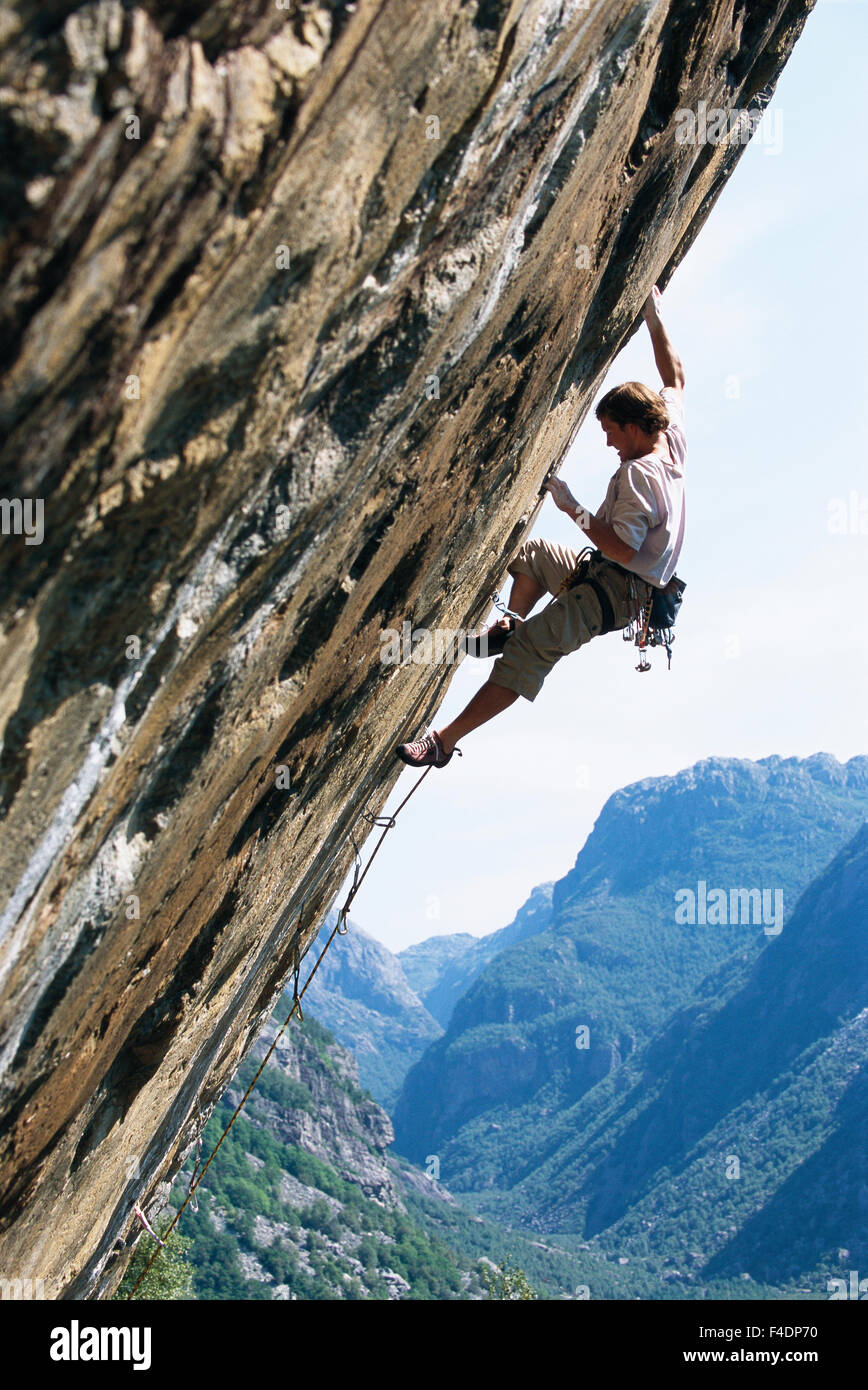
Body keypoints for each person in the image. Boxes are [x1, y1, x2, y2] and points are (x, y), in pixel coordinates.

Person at [396, 284, 686, 769]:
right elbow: (674, 377)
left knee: (531, 652)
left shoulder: (640, 475)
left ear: (633, 426)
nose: (609, 443)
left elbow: (620, 549)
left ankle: (442, 742)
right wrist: (655, 320)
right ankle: (510, 622)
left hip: (613, 595)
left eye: (611, 431)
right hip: (604, 575)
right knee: (529, 555)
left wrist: (573, 507)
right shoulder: (669, 436)